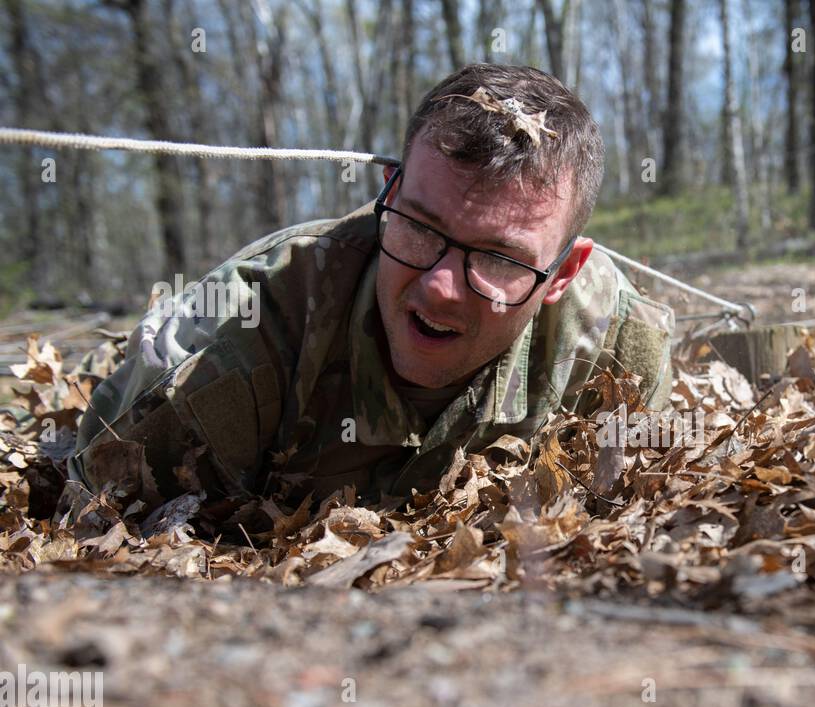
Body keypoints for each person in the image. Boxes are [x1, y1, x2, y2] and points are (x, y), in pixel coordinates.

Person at [64, 63, 674, 518]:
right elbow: (87, 505)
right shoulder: (240, 332)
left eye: (496, 258)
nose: (439, 289)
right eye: (420, 226)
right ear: (389, 193)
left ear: (563, 274)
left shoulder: (617, 349)